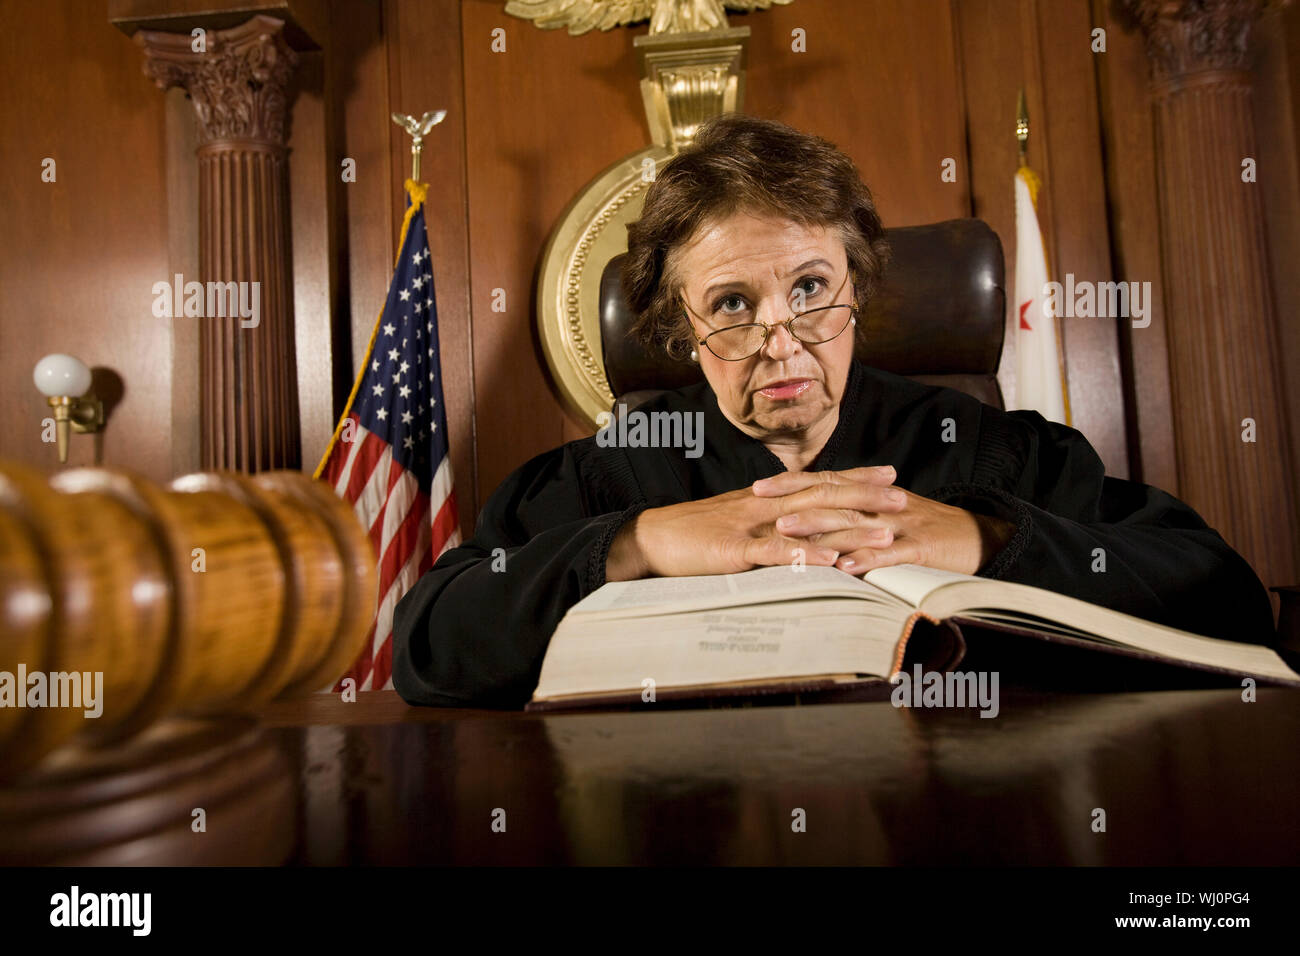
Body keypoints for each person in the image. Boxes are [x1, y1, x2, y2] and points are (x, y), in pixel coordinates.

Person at [392, 113, 1276, 709]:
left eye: (811, 288)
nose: (783, 344)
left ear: (857, 284)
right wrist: (642, 543)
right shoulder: (607, 473)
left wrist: (986, 541)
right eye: (733, 304)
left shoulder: (986, 450)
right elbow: (427, 644)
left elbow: (1228, 600)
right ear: (678, 326)